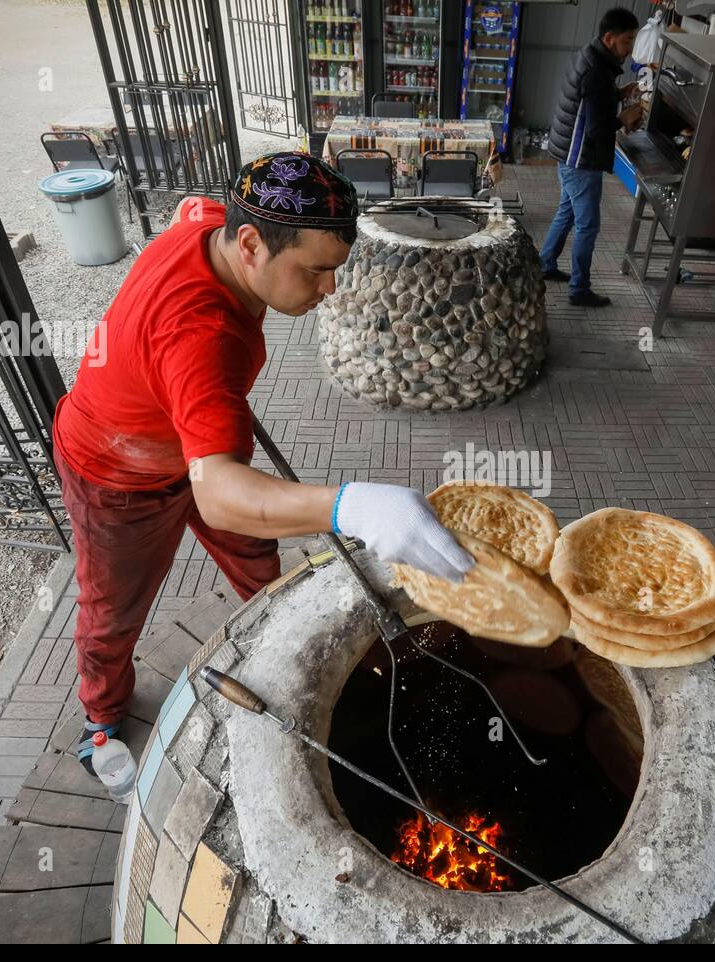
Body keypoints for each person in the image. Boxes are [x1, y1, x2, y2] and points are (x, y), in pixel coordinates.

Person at [52, 152, 473, 776]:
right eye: (316, 271)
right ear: (250, 243)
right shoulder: (201, 337)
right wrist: (351, 505)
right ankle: (101, 713)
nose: (330, 290)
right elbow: (222, 495)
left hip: (193, 436)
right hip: (118, 471)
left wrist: (203, 410)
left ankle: (287, 643)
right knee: (113, 607)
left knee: (257, 556)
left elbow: (185, 210)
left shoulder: (215, 221)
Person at [539, 7, 643, 308]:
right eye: (627, 41)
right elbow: (597, 128)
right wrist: (625, 118)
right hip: (581, 160)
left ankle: (545, 264)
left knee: (567, 213)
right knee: (588, 225)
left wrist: (619, 94)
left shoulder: (591, 54)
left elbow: (590, 103)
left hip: (567, 155)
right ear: (609, 38)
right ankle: (579, 290)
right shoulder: (598, 71)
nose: (630, 49)